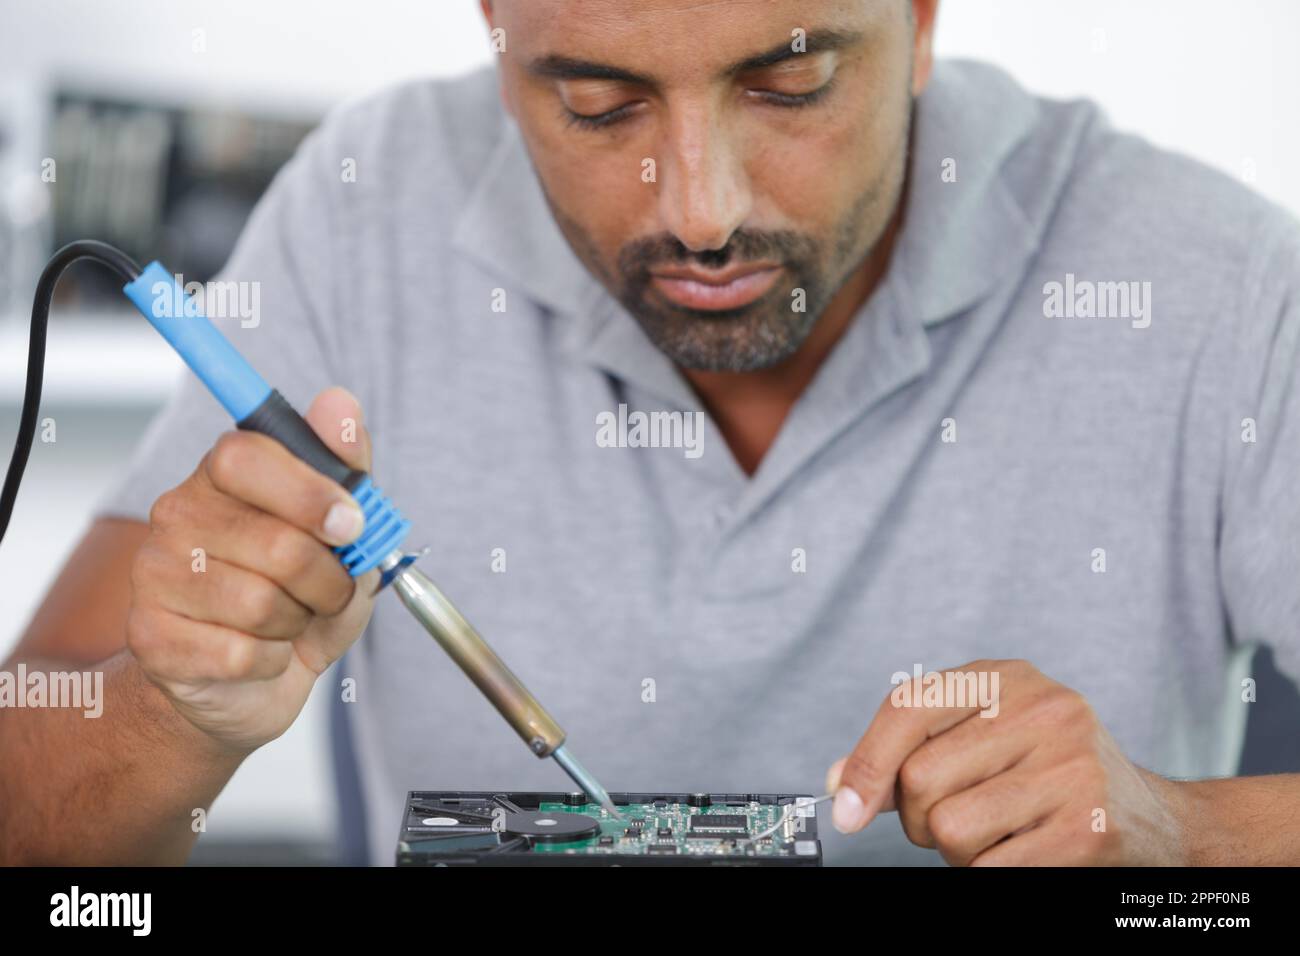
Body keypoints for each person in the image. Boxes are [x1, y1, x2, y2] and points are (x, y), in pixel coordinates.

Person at [3, 0, 1298, 866]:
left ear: (916, 20)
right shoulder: (368, 213)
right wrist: (170, 719)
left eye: (789, 85)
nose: (700, 211)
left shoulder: (1209, 280)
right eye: (599, 105)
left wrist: (1181, 838)